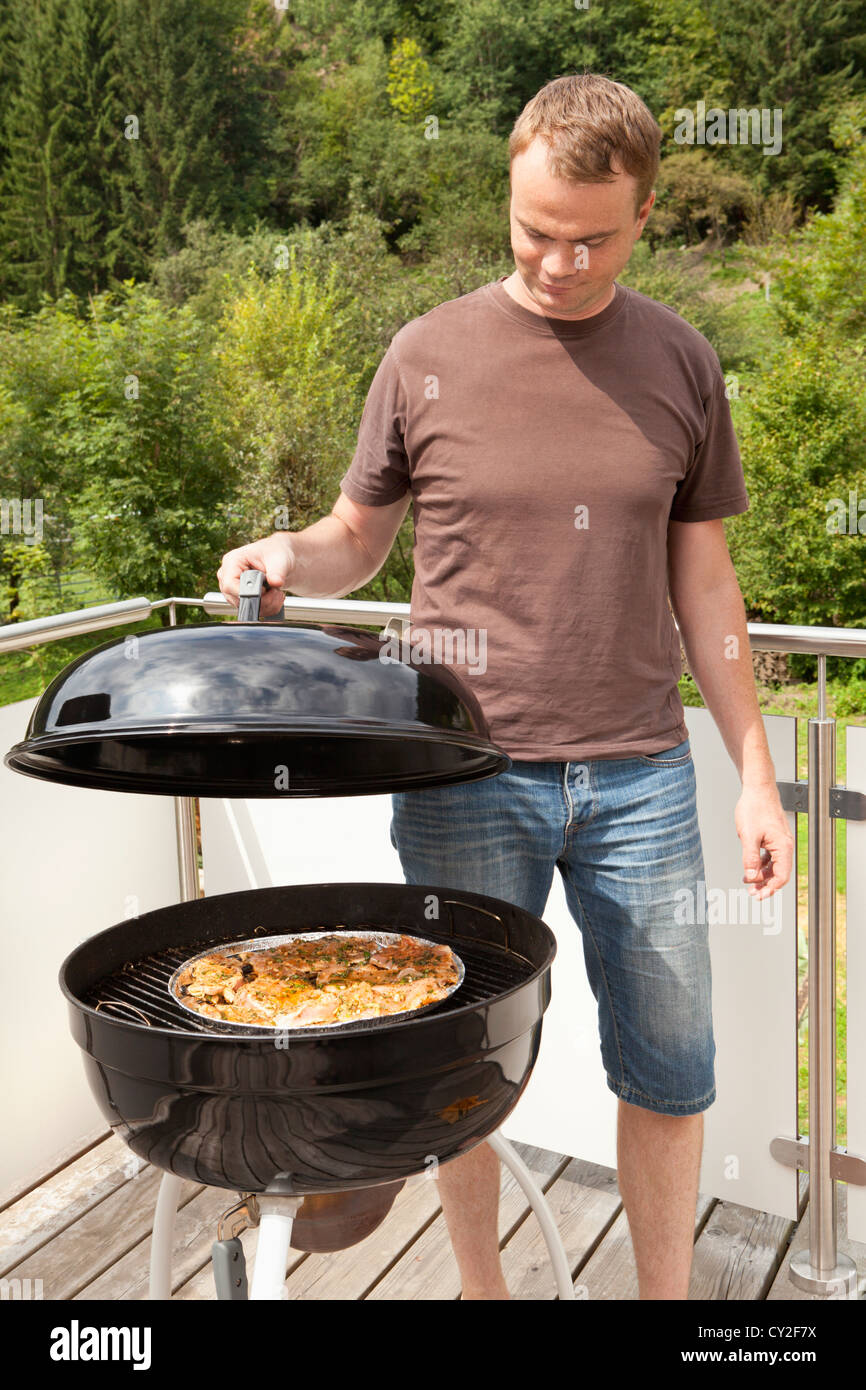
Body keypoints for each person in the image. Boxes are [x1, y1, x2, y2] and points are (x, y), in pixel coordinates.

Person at [218, 72, 794, 1300]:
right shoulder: (426, 353)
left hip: (637, 776)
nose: (557, 263)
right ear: (508, 195)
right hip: (462, 773)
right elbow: (352, 540)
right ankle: (482, 1295)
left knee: (669, 1068)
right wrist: (282, 555)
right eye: (534, 231)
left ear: (644, 216)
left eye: (590, 238)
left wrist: (752, 774)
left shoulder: (681, 363)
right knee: (455, 1064)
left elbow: (706, 586)